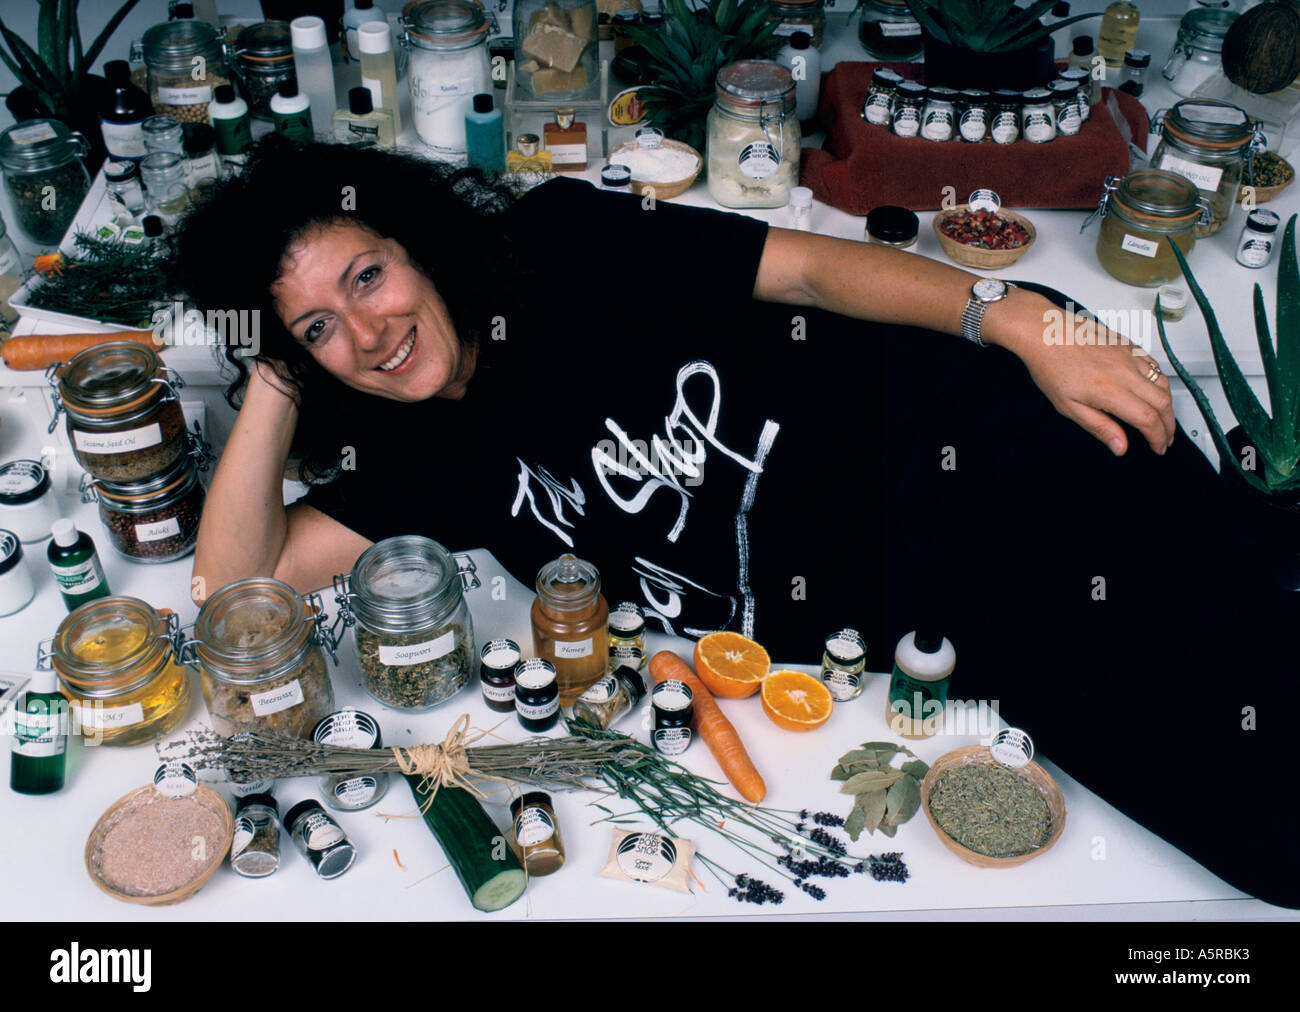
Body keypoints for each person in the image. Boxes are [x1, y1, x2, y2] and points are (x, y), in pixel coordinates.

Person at [170, 138, 1297, 909]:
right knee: (1260, 833)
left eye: (368, 277)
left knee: (1254, 639)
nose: (367, 335)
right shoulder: (409, 456)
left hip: (971, 451)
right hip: (928, 619)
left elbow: (803, 269)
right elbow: (238, 590)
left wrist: (1012, 314)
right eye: (320, 328)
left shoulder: (557, 244)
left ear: (417, 244)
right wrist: (277, 370)